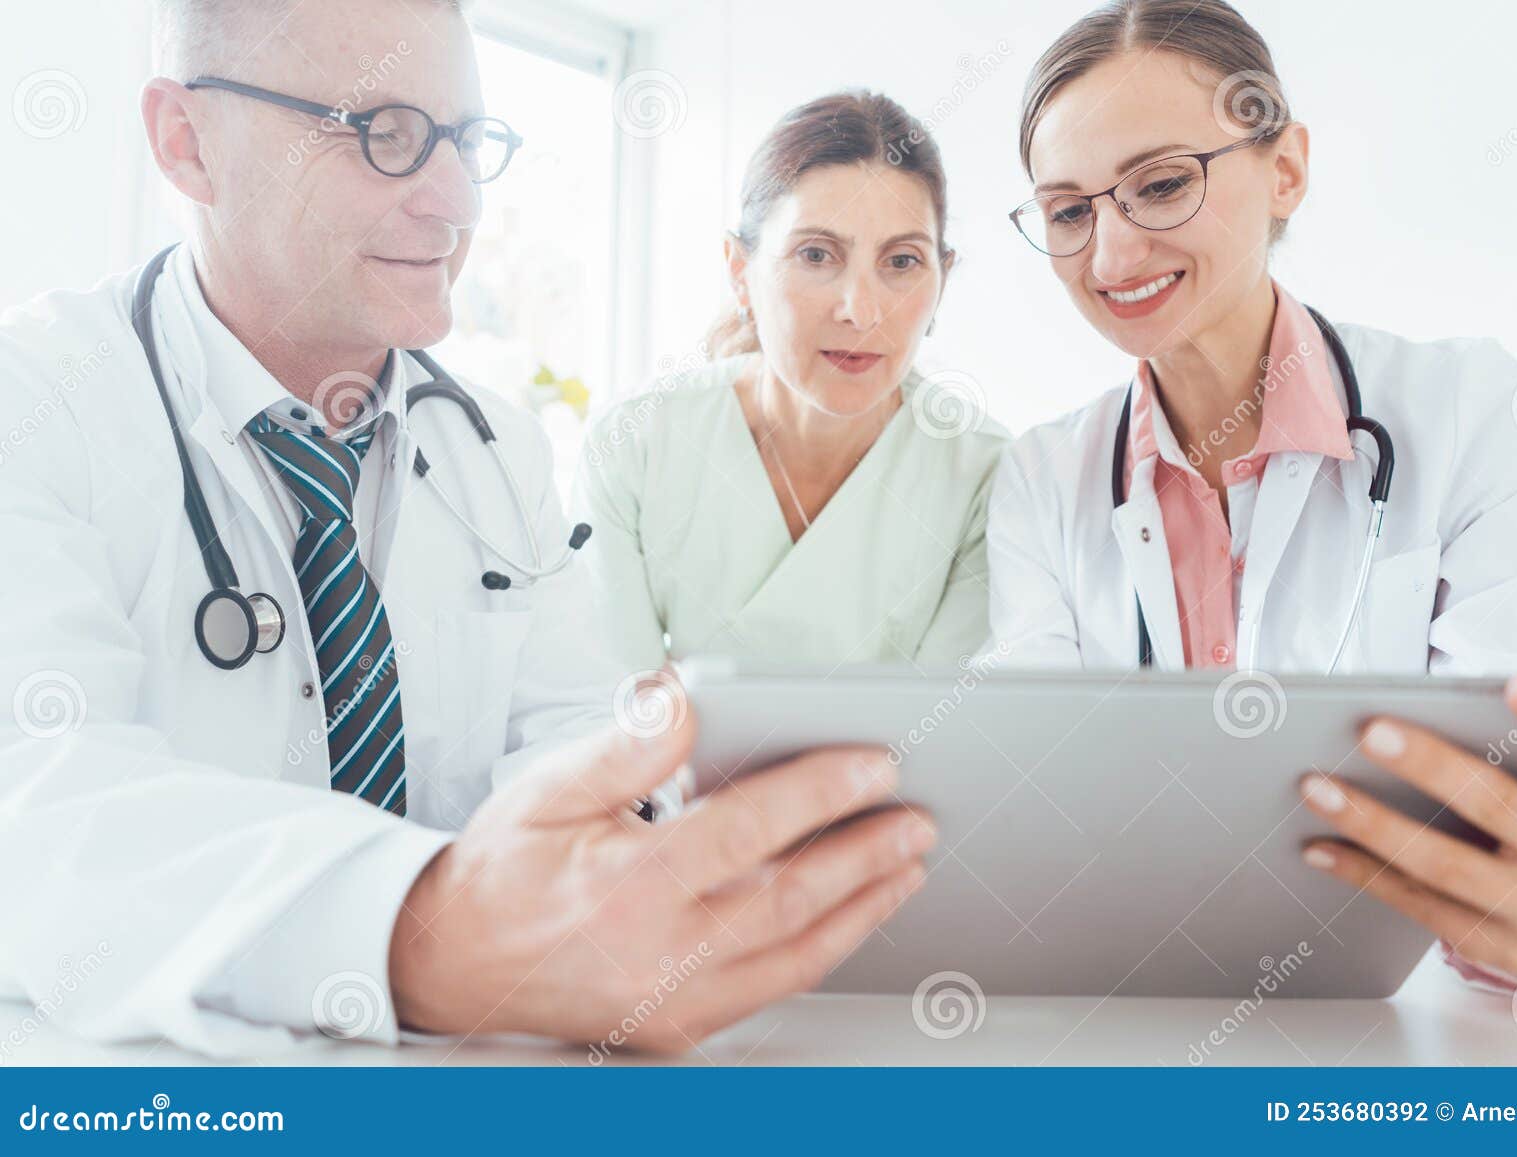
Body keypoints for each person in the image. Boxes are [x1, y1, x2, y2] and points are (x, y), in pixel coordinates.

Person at [0, 0, 930, 1057]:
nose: (453, 204)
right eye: (381, 134)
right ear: (187, 140)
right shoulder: (34, 405)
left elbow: (579, 738)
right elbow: (33, 805)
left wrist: (661, 845)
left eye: (464, 141)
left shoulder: (498, 454)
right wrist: (421, 928)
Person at [988, 0, 1517, 986]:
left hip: (1425, 1028)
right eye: (1068, 211)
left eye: (1159, 184)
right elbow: (1030, 812)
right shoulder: (1040, 478)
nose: (1108, 256)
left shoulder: (1475, 411)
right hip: (1132, 1012)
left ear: (1285, 169)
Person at [574, 92, 1009, 672]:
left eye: (901, 261)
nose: (861, 310)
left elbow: (939, 731)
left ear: (942, 278)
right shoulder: (635, 442)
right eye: (816, 254)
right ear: (740, 272)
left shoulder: (987, 475)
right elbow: (612, 711)